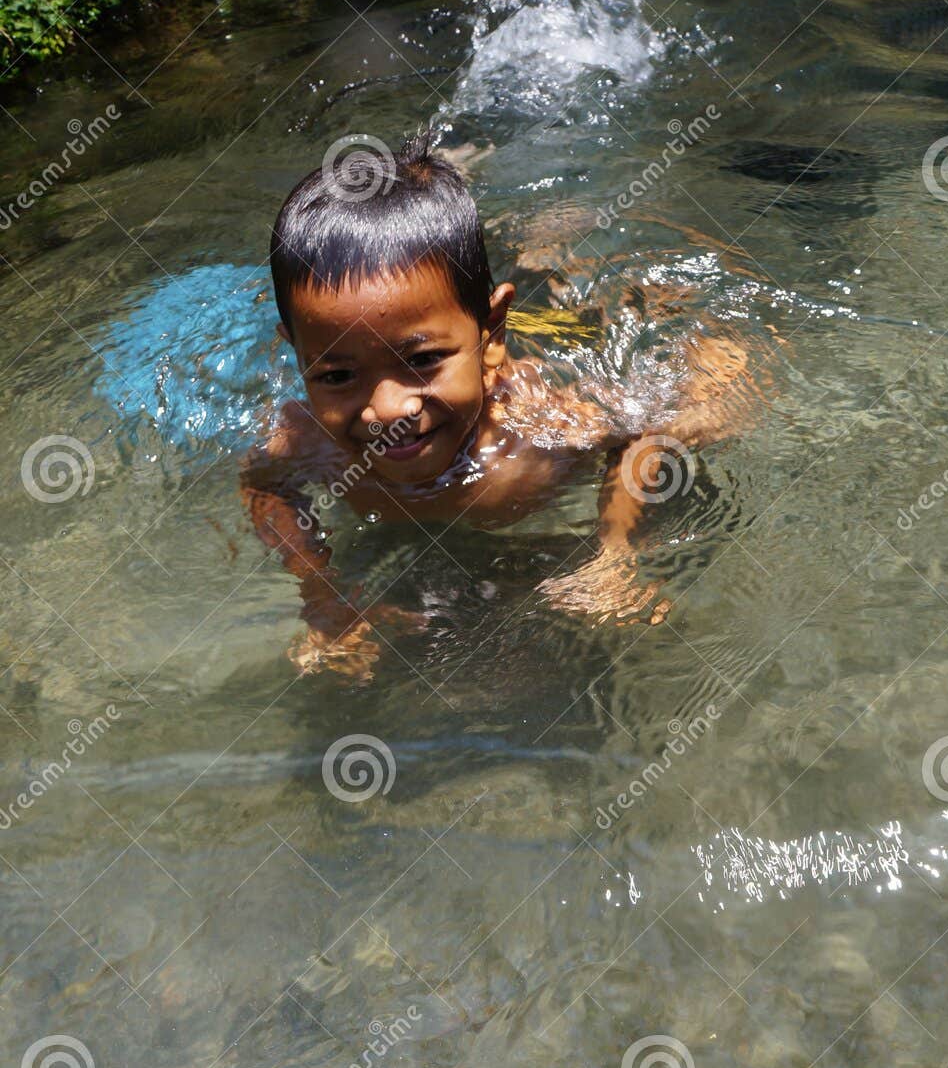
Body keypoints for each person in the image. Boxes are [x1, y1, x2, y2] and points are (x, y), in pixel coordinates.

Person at [242, 133, 754, 680]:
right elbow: (264, 484)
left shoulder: (539, 425)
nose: (387, 409)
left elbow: (641, 431)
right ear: (298, 357)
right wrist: (322, 599)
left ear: (491, 337)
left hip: (556, 330)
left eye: (423, 360)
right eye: (337, 375)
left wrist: (614, 552)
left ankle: (535, 234)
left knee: (708, 410)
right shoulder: (308, 439)